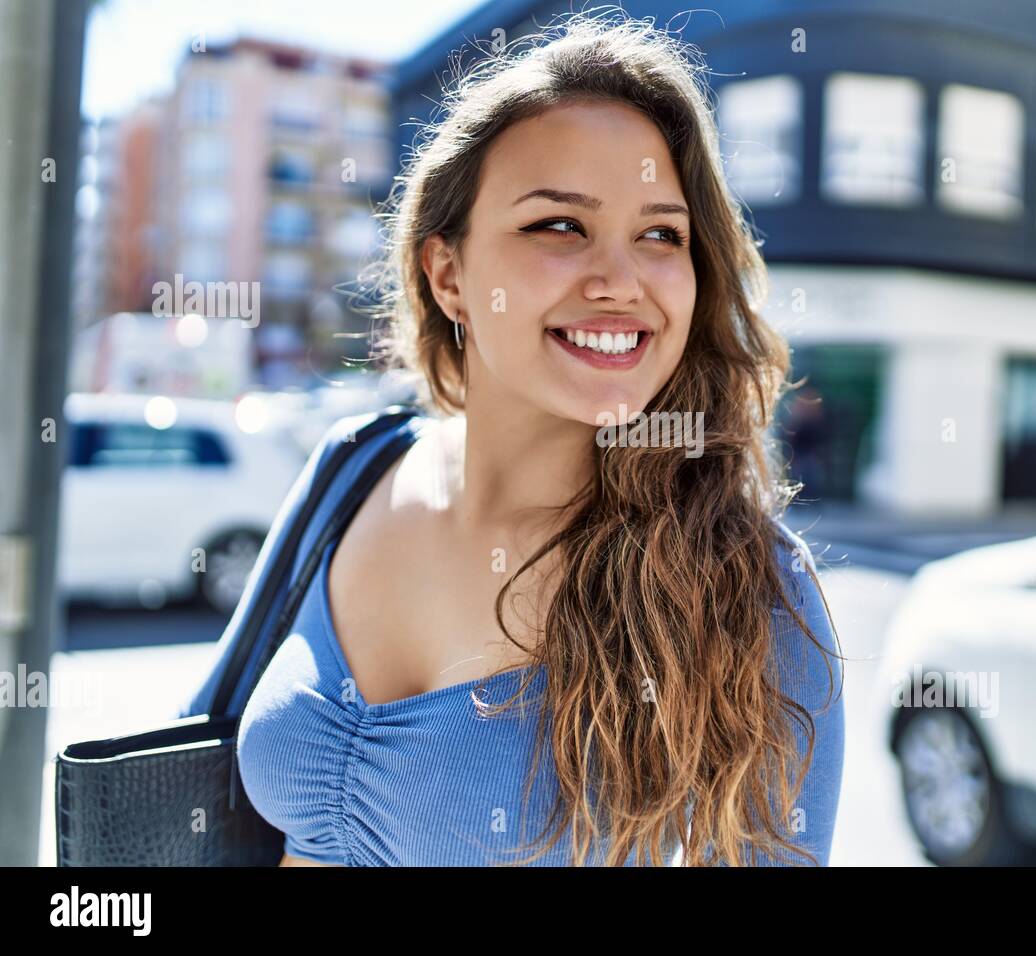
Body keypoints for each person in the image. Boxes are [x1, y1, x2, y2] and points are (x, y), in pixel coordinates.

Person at [179, 9, 845, 867]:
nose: (620, 281)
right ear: (448, 273)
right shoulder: (355, 468)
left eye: (661, 235)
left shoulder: (755, 590)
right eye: (559, 225)